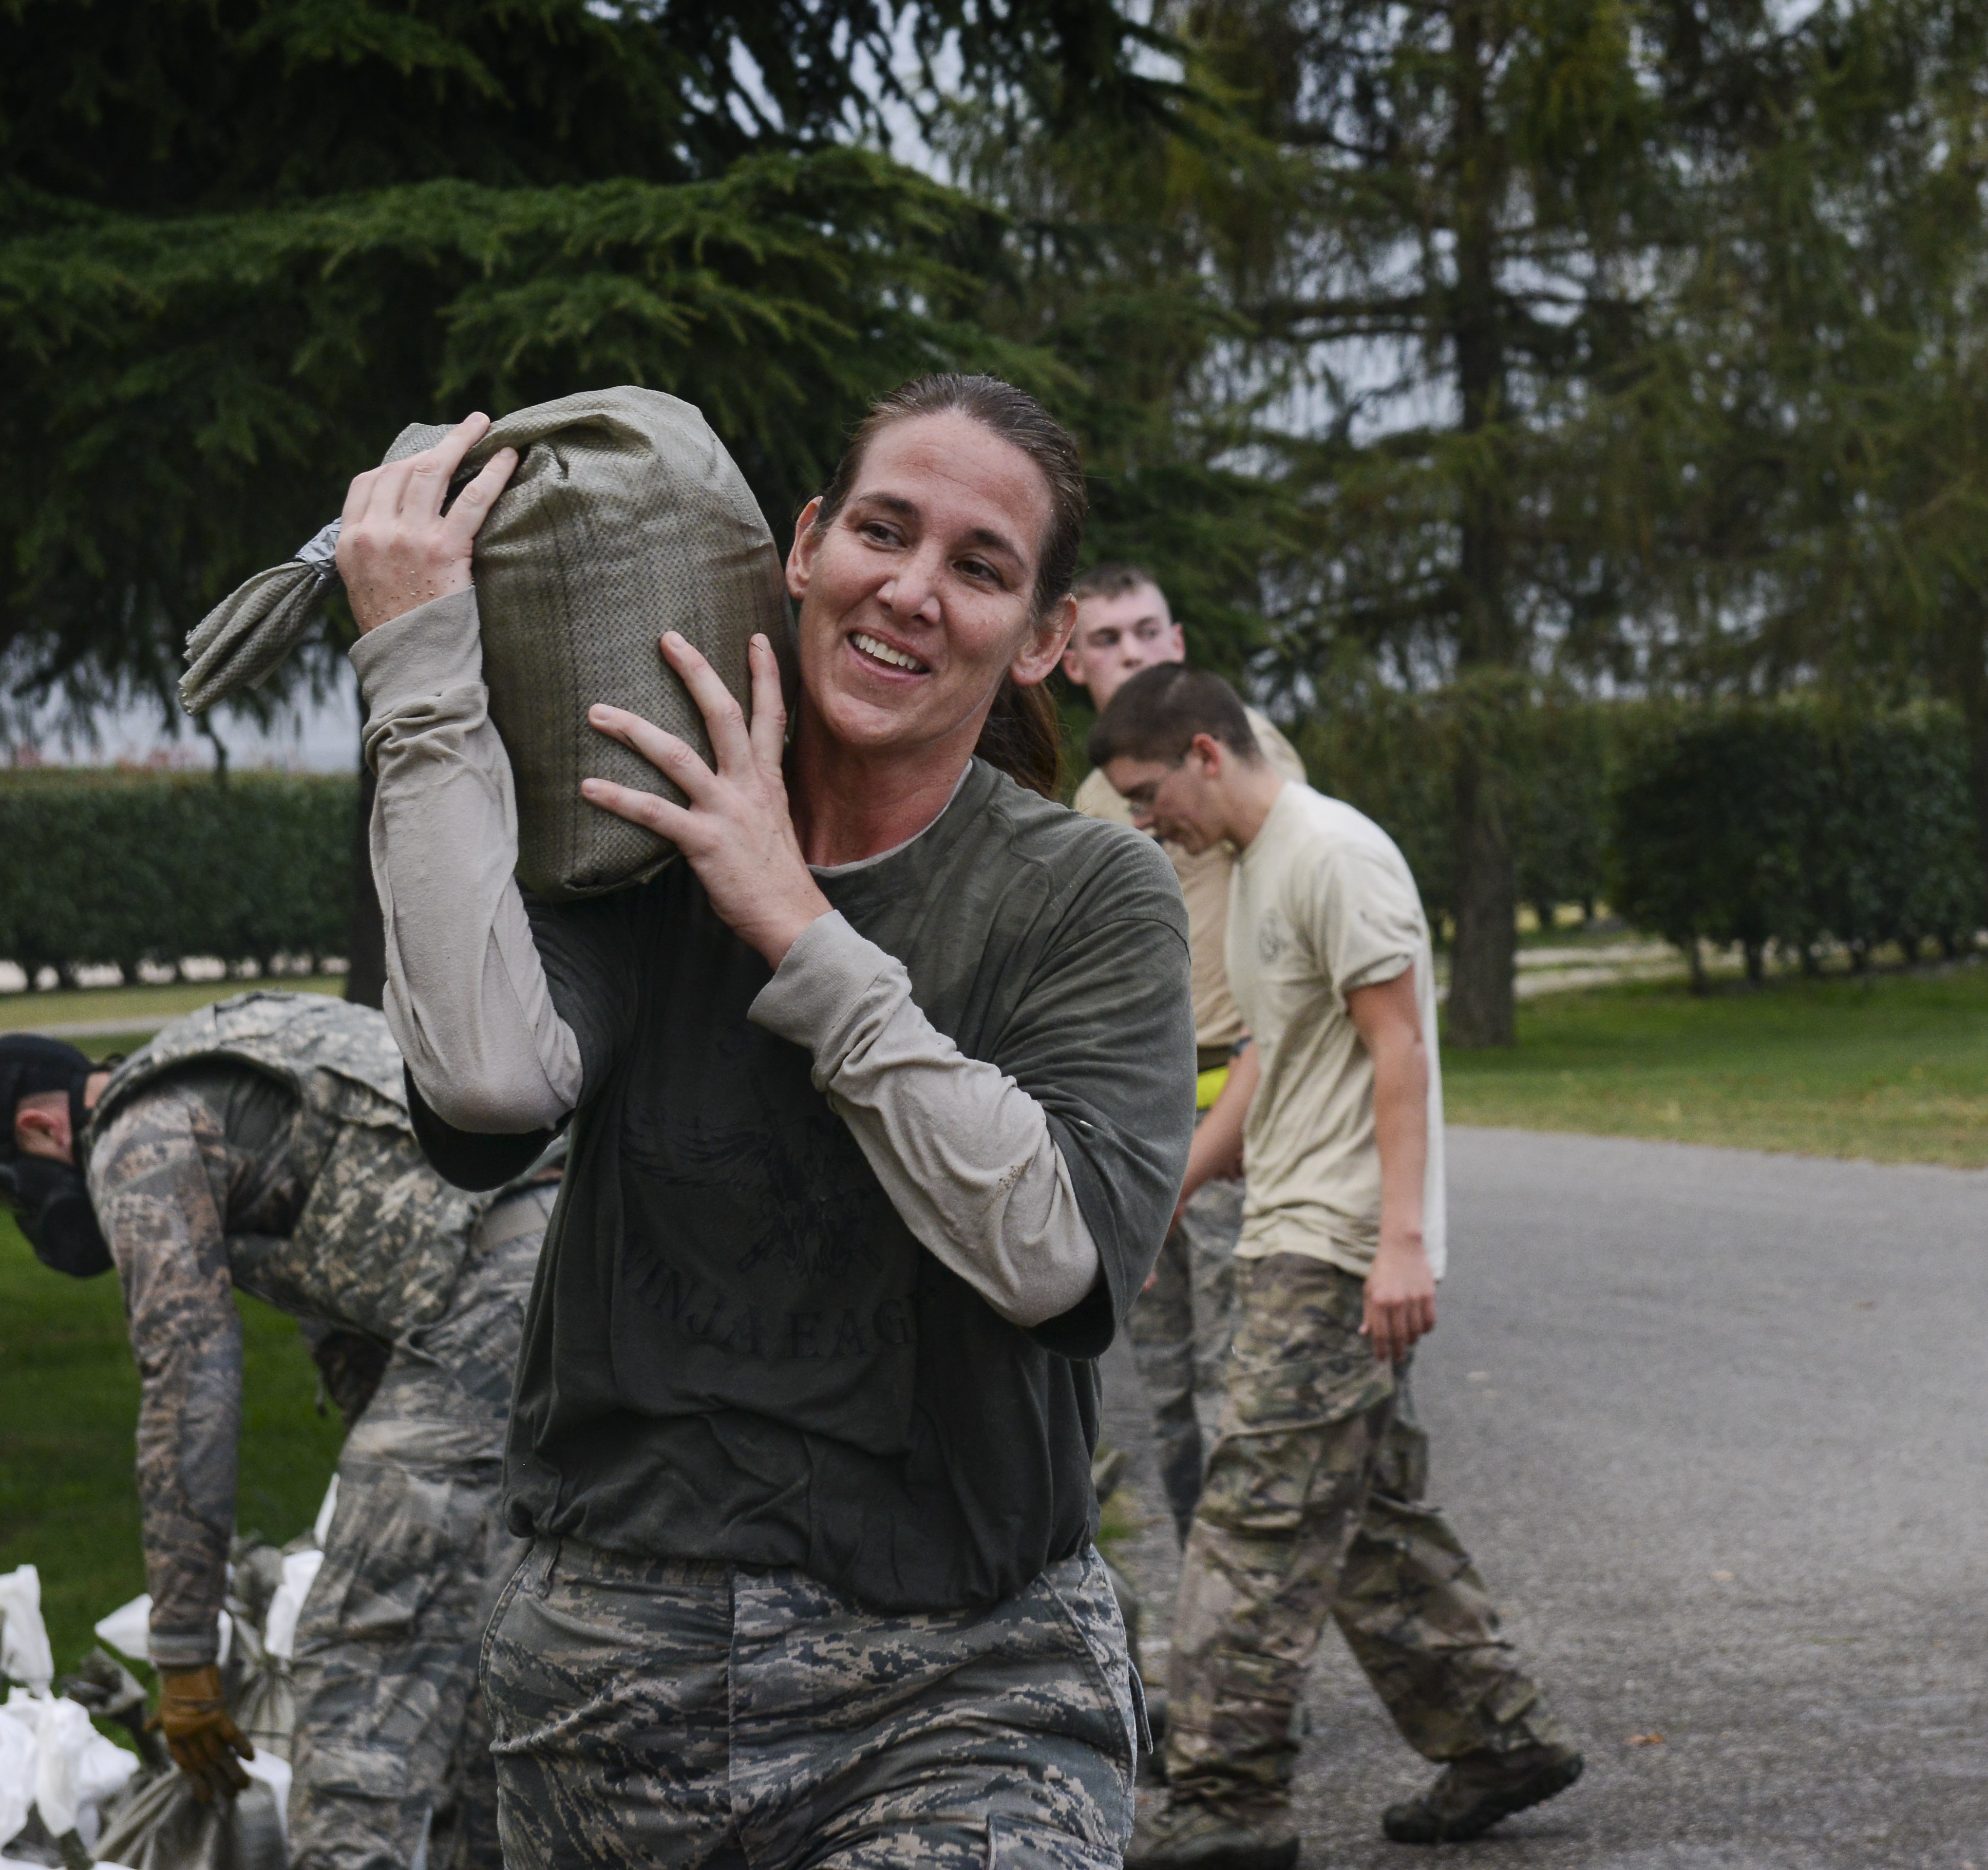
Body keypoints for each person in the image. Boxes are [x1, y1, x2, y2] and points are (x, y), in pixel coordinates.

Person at [342, 374, 1196, 1870]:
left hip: (963, 1675)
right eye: (885, 530)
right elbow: (485, 1082)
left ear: (1046, 640)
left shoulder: (1087, 893)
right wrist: (418, 671)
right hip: (611, 1681)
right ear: (805, 545)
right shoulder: (637, 834)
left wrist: (798, 929)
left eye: (981, 566)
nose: (913, 590)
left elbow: (1054, 1252)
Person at [1088, 666, 1580, 1870]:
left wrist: (1401, 1243)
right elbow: (1269, 1055)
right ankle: (1496, 1737)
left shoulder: (1333, 854)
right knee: (1363, 1519)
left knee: (1252, 1517)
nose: (1149, 822)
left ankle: (1225, 1800)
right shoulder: (1255, 869)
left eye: (1152, 795)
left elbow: (1398, 1047)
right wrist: (1177, 1192)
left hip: (1341, 1242)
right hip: (1286, 1229)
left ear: (1207, 752)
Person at [0, 991, 555, 1870]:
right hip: (583, 1261)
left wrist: (185, 1654)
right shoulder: (232, 1084)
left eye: (4, 1187)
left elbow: (189, 1382)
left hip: (496, 1286)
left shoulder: (135, 1136)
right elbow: (361, 1329)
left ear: (40, 1129)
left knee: (363, 1659)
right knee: (487, 1659)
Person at [1064, 563, 1308, 1545]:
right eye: (1106, 639)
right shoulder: (1092, 796)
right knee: (1165, 1396)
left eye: (1145, 632)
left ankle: (1252, 1670)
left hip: (1244, 1111)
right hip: (1144, 1121)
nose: (1128, 652)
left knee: (1239, 1389)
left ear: (1177, 643)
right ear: (1070, 659)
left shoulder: (1237, 755)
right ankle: (1210, 1622)